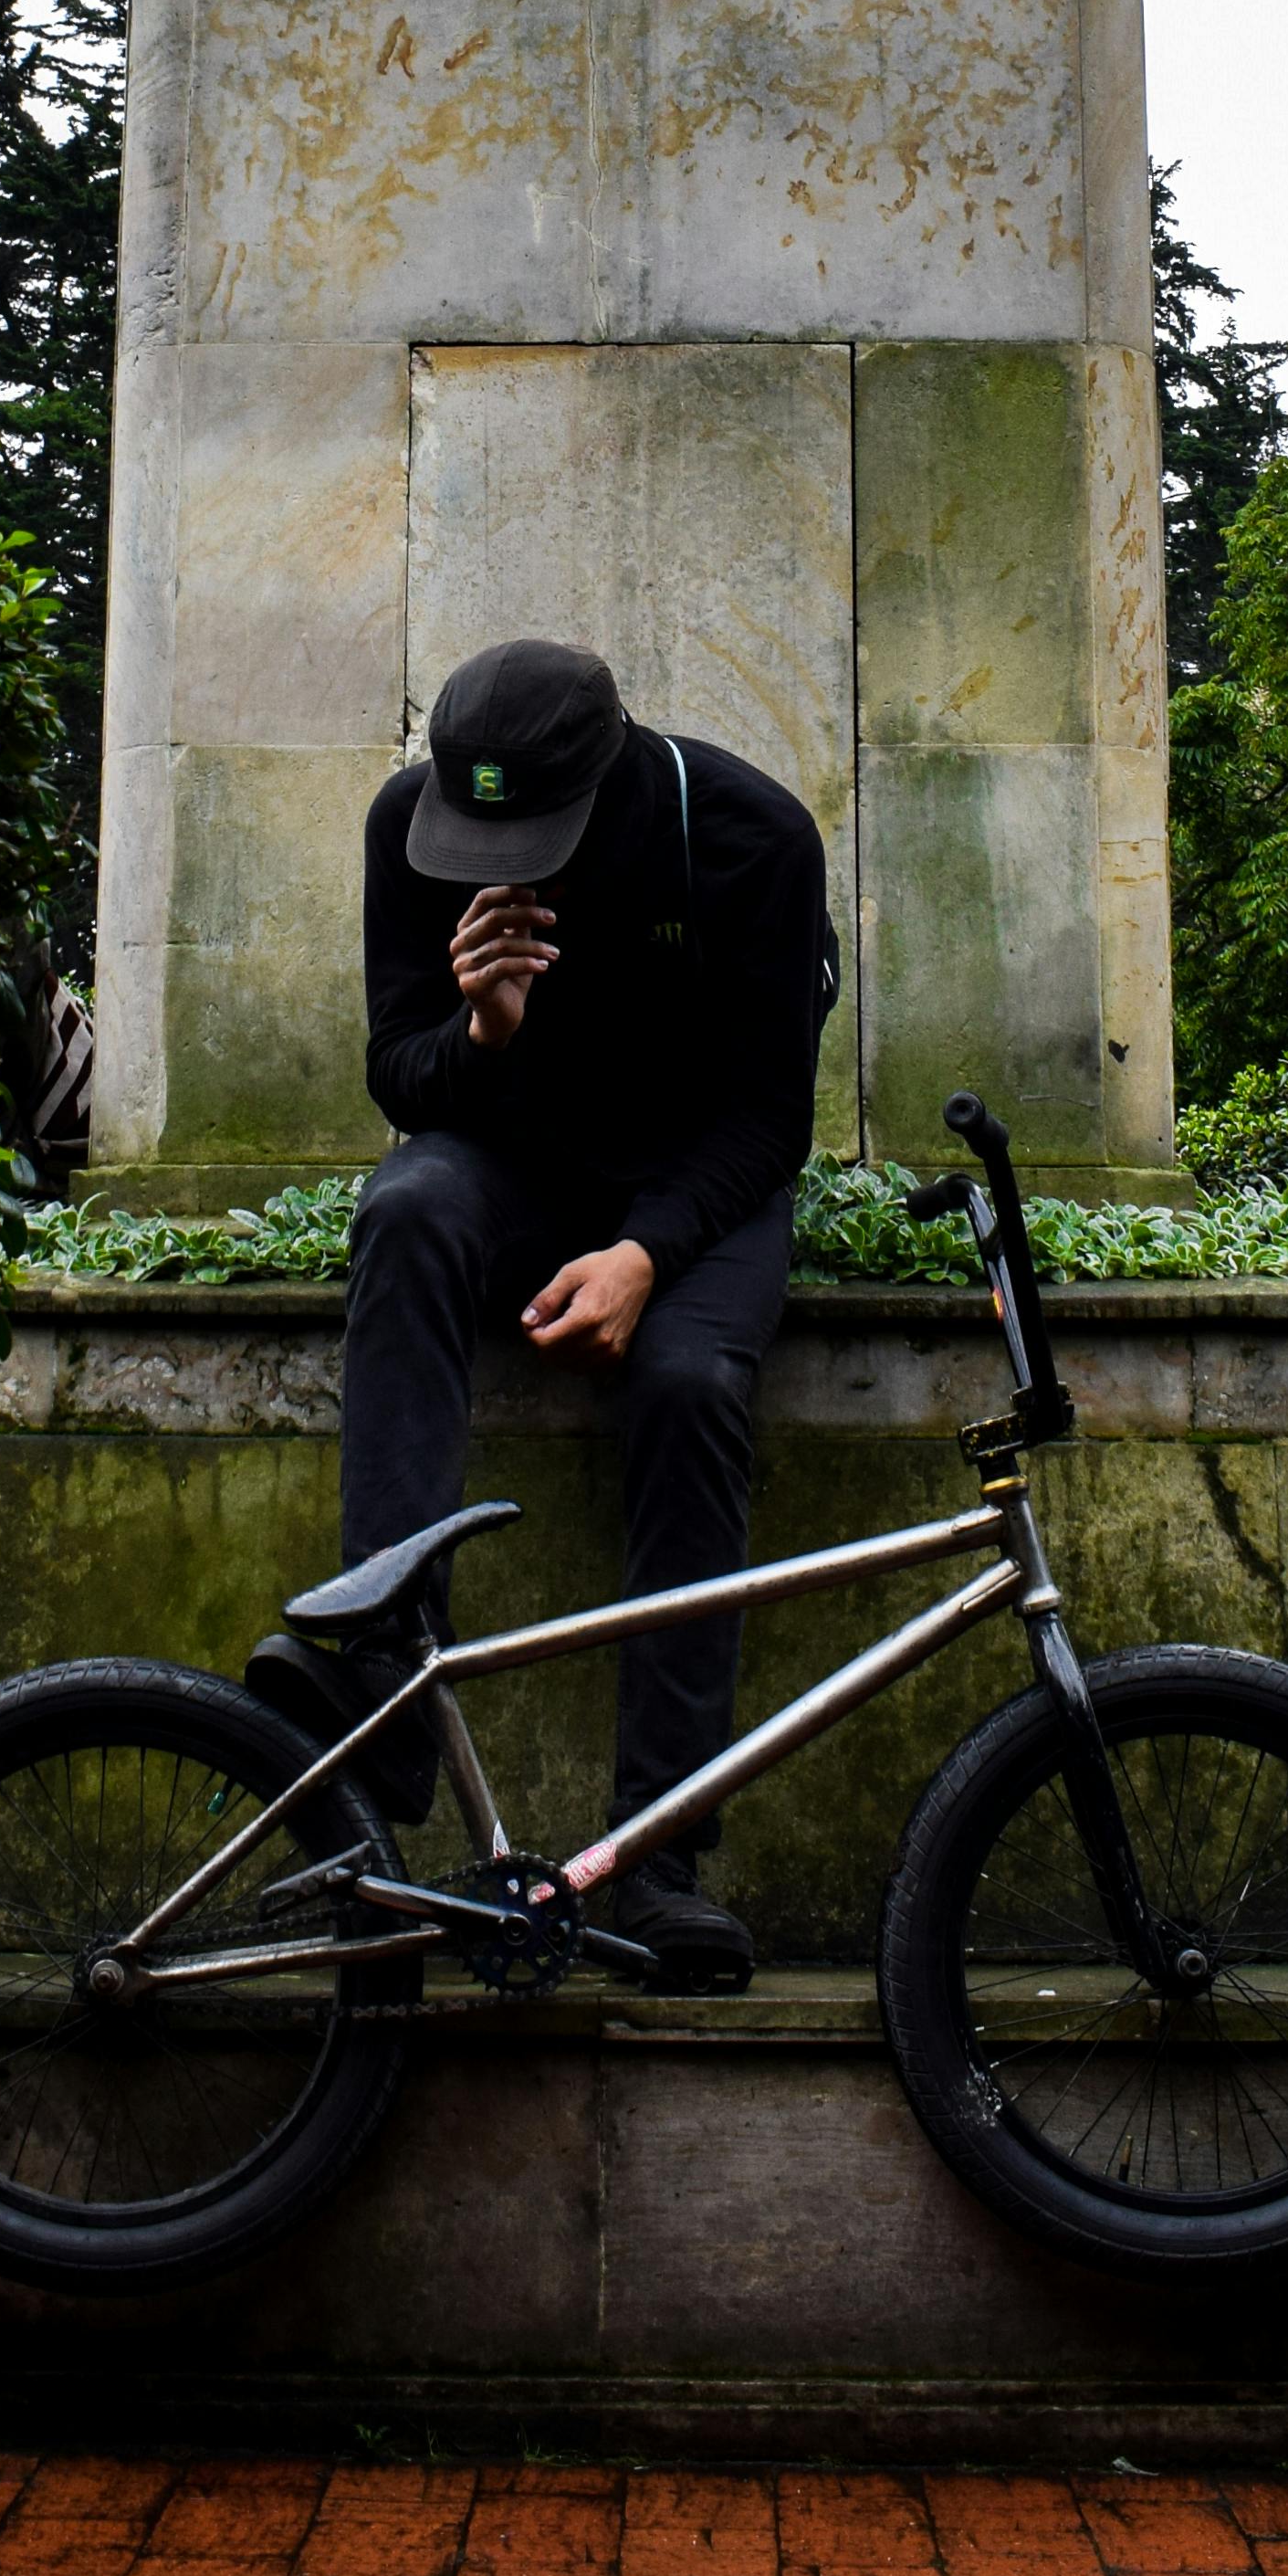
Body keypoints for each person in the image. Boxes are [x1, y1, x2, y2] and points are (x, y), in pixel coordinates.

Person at [246, 634, 834, 1995]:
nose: (504, 864)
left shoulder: (747, 838)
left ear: (608, 777)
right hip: (515, 1164)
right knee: (407, 1209)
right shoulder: (407, 828)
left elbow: (769, 1121)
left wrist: (642, 1254)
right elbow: (403, 1079)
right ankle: (386, 1678)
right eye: (481, 836)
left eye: (535, 840)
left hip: (701, 1188)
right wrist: (482, 1032)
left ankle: (660, 1854)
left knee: (689, 1385)